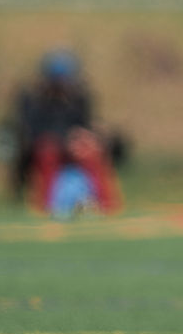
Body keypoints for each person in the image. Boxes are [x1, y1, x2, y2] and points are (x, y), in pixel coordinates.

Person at [11, 49, 125, 214]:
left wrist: (82, 137)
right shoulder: (33, 100)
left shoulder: (79, 99)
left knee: (89, 150)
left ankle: (106, 205)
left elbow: (84, 125)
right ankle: (47, 205)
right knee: (47, 152)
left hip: (73, 145)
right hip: (47, 146)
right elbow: (30, 131)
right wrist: (60, 140)